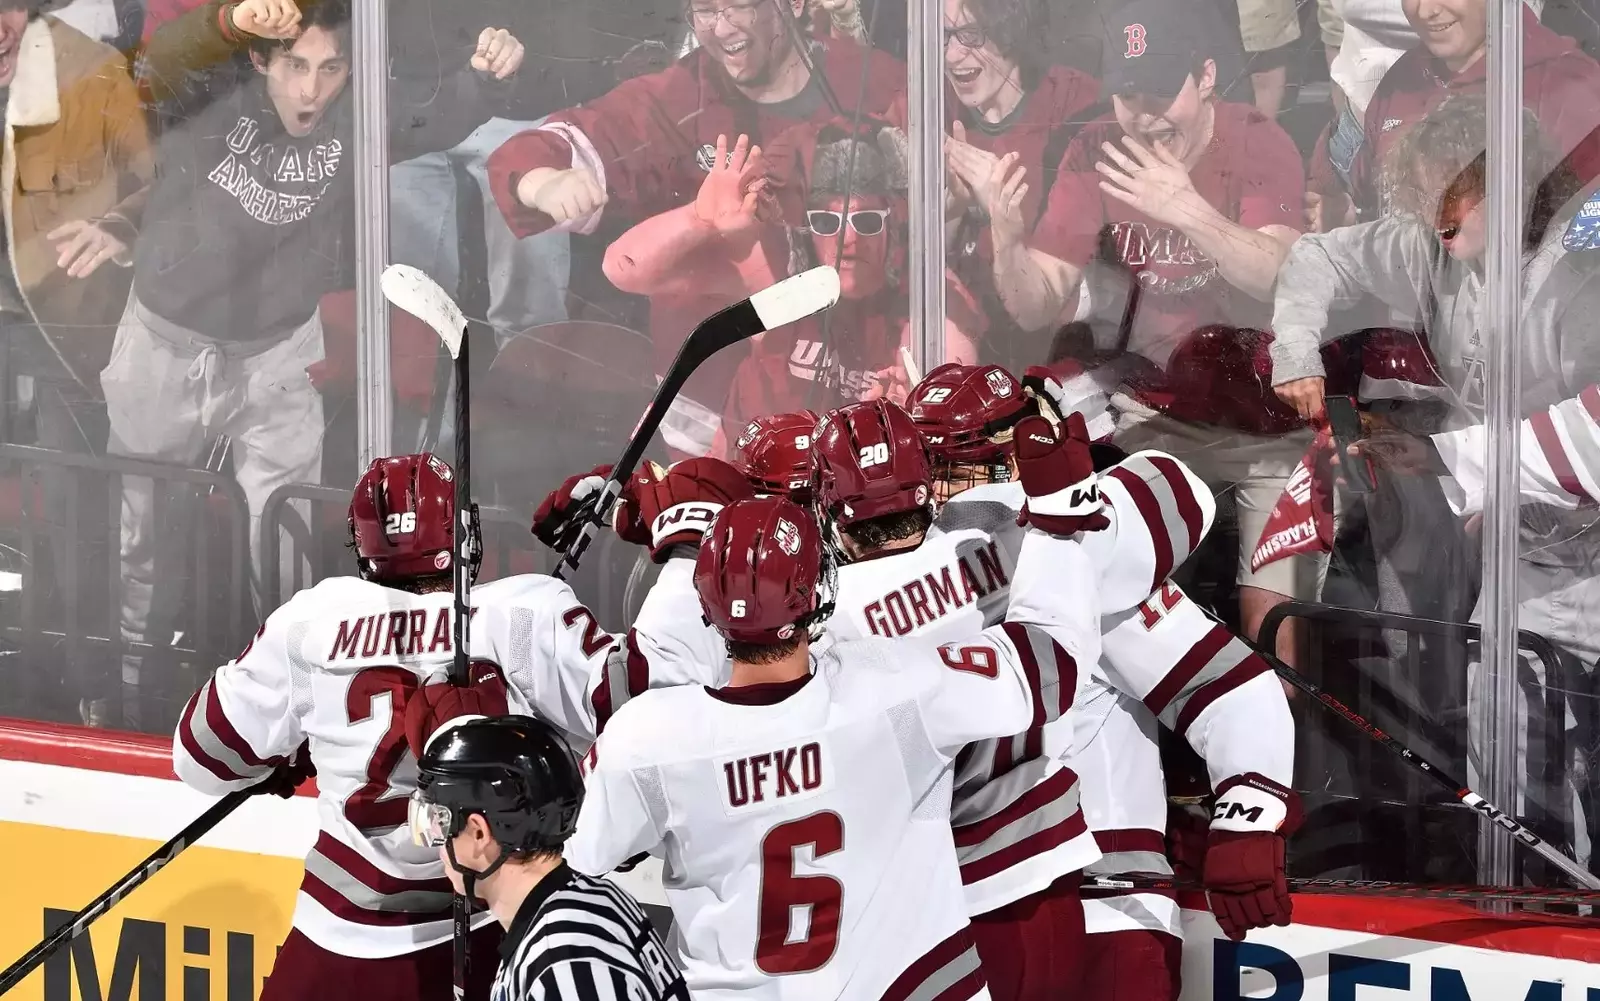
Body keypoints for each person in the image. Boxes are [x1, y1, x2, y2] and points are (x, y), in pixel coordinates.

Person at [565, 409, 1106, 999]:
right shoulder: (904, 665)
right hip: (1003, 887)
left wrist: (680, 532)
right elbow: (1054, 663)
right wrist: (1060, 522)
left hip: (818, 952)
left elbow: (589, 835)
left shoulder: (659, 737)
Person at [103, 0, 524, 724]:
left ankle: (283, 698)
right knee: (139, 522)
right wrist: (231, 23)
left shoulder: (353, 117)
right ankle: (123, 686)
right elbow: (160, 64)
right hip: (167, 339)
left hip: (278, 349)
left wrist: (487, 80)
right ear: (262, 62)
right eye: (296, 66)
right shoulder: (210, 93)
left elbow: (429, 118)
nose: (311, 90)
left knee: (285, 532)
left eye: (331, 69)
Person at [1266, 95, 1600, 857]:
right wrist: (1296, 349)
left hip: (1591, 547)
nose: (1434, 220)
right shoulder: (1435, 246)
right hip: (1522, 549)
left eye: (1449, 195)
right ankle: (1533, 900)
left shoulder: (1584, 271)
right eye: (1424, 198)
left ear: (1511, 181)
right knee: (1503, 737)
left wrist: (1453, 461)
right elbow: (1318, 255)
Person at [171, 453, 629, 1000]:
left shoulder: (312, 618)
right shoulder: (525, 612)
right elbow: (641, 718)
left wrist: (286, 759)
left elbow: (200, 756)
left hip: (333, 942)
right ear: (463, 531)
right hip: (486, 933)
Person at [908, 362, 1299, 998]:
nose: (950, 488)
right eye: (938, 465)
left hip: (1102, 896)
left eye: (966, 464)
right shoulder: (897, 581)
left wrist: (1246, 819)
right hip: (952, 907)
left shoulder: (1073, 558)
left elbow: (1230, 691)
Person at [990, 0, 1314, 669]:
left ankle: (1276, 755)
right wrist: (1007, 240)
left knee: (1275, 625)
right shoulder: (1097, 148)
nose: (1142, 116)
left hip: (1268, 425)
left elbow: (1278, 274)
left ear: (1205, 78)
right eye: (1128, 97)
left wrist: (1184, 209)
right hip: (1154, 417)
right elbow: (1036, 302)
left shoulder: (1258, 140)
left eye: (1160, 95)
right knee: (1116, 599)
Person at [485, 0, 905, 455]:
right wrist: (544, 178)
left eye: (737, 7)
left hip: (856, 379)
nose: (721, 27)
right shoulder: (684, 93)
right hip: (710, 391)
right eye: (704, 11)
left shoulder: (873, 82)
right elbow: (590, 135)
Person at [602, 120, 985, 449]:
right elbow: (624, 268)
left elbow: (955, 414)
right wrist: (699, 218)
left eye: (867, 221)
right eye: (826, 222)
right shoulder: (774, 270)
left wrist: (913, 416)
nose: (848, 239)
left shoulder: (931, 300)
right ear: (806, 230)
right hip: (746, 493)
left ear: (894, 225)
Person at [0, 0, 152, 726]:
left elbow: (162, 190)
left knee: (74, 501)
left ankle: (94, 693)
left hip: (63, 339)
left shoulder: (93, 74)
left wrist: (115, 229)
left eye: (7, 6)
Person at [412, 715, 689, 1001]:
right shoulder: (594, 897)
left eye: (440, 823)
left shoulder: (563, 964)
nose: (438, 844)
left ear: (480, 834)